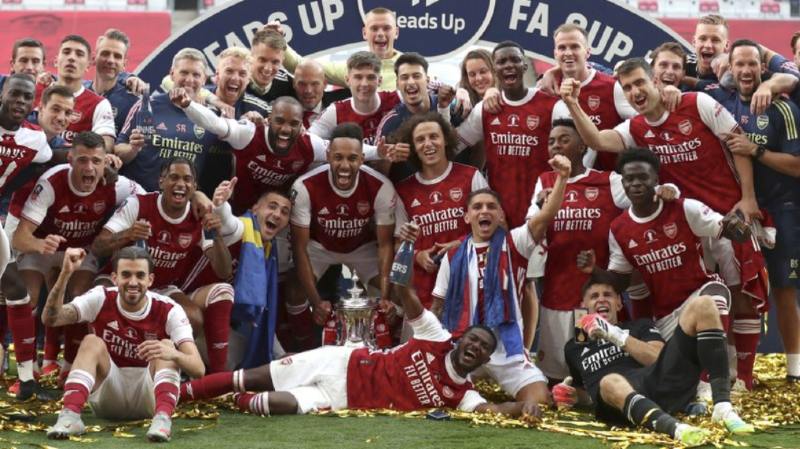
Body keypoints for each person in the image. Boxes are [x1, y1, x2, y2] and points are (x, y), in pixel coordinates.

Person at [180, 241, 541, 421]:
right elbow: (407, 297)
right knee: (248, 376)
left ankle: (231, 401)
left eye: (482, 348)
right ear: (460, 339)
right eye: (473, 339)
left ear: (480, 360)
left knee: (271, 404)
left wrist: (522, 407)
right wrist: (401, 266)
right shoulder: (436, 336)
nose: (475, 348)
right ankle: (181, 395)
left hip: (345, 398)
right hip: (342, 361)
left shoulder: (461, 394)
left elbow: (492, 410)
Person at [426, 154, 572, 408]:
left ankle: (486, 400)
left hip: (506, 348)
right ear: (467, 217)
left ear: (501, 215)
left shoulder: (515, 243)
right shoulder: (452, 255)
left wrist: (563, 178)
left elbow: (545, 217)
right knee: (435, 396)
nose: (484, 211)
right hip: (464, 345)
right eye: (477, 207)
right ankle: (480, 401)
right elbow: (437, 306)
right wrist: (428, 348)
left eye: (491, 206)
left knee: (539, 401)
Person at [555, 273, 753, 448]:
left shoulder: (639, 327)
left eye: (607, 295)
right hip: (619, 402)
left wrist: (614, 334)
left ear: (619, 303)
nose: (601, 300)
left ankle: (723, 407)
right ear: (584, 306)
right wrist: (573, 397)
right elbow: (588, 394)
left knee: (705, 304)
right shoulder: (573, 347)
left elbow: (657, 358)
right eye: (594, 296)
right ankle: (674, 428)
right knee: (609, 381)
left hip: (656, 381)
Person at [704, 39, 800, 383]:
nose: (745, 70)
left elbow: (798, 165)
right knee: (736, 286)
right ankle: (737, 369)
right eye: (738, 64)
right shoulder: (718, 98)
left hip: (781, 208)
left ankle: (795, 371)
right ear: (729, 69)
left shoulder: (783, 107)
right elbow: (690, 85)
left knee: (783, 287)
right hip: (737, 207)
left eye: (752, 64)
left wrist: (754, 151)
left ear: (763, 68)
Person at [11, 132, 143, 381]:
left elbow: (149, 200)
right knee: (28, 296)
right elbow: (20, 238)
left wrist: (198, 196)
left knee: (81, 296)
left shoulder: (117, 184)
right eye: (83, 160)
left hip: (82, 249)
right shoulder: (52, 182)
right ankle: (27, 372)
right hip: (43, 247)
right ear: (70, 159)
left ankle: (69, 365)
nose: (89, 167)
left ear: (107, 162)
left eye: (96, 161)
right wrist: (41, 244)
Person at [43, 246, 204, 441]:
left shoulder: (169, 309)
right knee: (91, 341)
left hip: (150, 397)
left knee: (166, 346)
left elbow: (199, 369)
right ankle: (70, 417)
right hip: (107, 394)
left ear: (150, 280)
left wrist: (173, 354)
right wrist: (66, 273)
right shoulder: (100, 297)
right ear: (114, 278)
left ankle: (162, 421)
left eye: (140, 275)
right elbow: (51, 319)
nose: (133, 282)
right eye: (126, 275)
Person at [92, 158, 237, 373]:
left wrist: (216, 236)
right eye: (174, 177)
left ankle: (162, 368)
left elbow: (223, 271)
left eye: (187, 179)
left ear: (194, 187)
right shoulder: (138, 204)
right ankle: (103, 364)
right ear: (161, 181)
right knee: (98, 300)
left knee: (193, 317)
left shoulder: (199, 216)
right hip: (122, 282)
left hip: (162, 287)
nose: (181, 184)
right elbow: (98, 247)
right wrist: (128, 234)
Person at [290, 123, 397, 327]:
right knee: (295, 288)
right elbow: (300, 248)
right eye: (338, 157)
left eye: (352, 158)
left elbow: (385, 245)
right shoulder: (305, 186)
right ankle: (301, 347)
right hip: (319, 246)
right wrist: (316, 302)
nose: (345, 166)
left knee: (396, 291)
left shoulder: (381, 186)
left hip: (361, 248)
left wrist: (385, 297)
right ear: (328, 156)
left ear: (362, 159)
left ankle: (385, 343)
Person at [178, 190, 292, 367]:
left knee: (250, 356)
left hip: (217, 313)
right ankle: (214, 381)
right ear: (254, 210)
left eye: (284, 212)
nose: (277, 215)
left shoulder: (269, 252)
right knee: (223, 293)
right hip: (184, 299)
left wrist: (280, 356)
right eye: (272, 206)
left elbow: (262, 317)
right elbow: (228, 222)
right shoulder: (240, 228)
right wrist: (221, 204)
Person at [456, 40, 560, 228]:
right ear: (495, 69)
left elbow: (580, 148)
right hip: (502, 215)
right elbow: (452, 145)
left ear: (525, 65)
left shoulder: (551, 105)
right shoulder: (485, 109)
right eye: (502, 62)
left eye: (515, 60)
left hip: (542, 209)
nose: (509, 65)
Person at [393, 112, 488, 311]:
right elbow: (397, 244)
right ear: (413, 148)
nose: (428, 144)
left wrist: (460, 245)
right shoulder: (403, 190)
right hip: (423, 294)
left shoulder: (470, 177)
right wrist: (417, 255)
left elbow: (497, 227)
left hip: (468, 284)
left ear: (445, 140)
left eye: (434, 136)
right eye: (420, 139)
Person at [0, 73, 53, 399]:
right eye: (14, 94)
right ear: (3, 93)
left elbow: (45, 161)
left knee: (15, 287)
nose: (20, 102)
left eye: (26, 97)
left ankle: (27, 381)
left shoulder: (34, 139)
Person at [115, 48, 222, 193]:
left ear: (204, 79)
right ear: (172, 74)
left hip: (181, 205)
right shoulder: (146, 105)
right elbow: (118, 151)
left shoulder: (211, 118)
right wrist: (133, 149)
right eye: (184, 73)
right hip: (141, 201)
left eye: (196, 74)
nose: (189, 80)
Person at [539, 24, 637, 171]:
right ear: (555, 53)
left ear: (587, 52)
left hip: (605, 185)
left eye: (575, 47)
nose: (568, 53)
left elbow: (644, 123)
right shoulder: (547, 89)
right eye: (562, 48)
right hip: (562, 184)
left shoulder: (611, 88)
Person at [376, 52, 457, 182]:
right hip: (409, 196)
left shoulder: (448, 105)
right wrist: (388, 158)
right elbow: (377, 174)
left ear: (428, 80)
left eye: (416, 76)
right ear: (397, 84)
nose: (411, 82)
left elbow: (476, 142)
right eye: (404, 77)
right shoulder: (390, 122)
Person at [279, 7, 402, 92]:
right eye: (374, 28)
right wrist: (277, 38)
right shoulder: (352, 67)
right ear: (365, 33)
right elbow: (301, 67)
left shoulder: (410, 67)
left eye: (386, 28)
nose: (380, 33)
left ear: (396, 32)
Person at [308, 51, 400, 146]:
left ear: (379, 81)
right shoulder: (335, 111)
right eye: (358, 77)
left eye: (370, 77)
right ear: (348, 80)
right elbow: (308, 142)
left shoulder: (397, 99)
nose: (364, 84)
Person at [44, 35, 116, 149]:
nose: (72, 58)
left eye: (79, 54)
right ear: (56, 61)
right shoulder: (36, 93)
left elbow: (105, 145)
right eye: (66, 52)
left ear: (88, 65)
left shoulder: (99, 104)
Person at [86, 29, 140, 134]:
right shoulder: (77, 93)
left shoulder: (133, 103)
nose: (111, 60)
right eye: (105, 53)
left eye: (117, 56)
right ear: (93, 58)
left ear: (124, 64)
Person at [293, 59, 351, 129]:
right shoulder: (283, 109)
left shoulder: (346, 103)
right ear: (294, 84)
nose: (308, 91)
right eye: (302, 84)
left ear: (325, 84)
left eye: (315, 84)